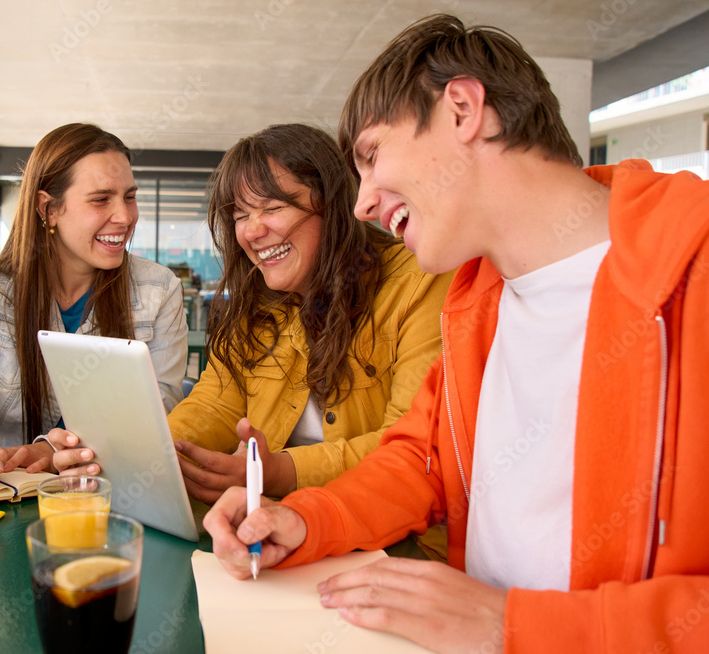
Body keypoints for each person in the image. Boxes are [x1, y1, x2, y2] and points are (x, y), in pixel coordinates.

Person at [204, 14, 709, 654]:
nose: (360, 205)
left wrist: (515, 626)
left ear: (465, 109)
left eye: (372, 155)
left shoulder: (694, 266)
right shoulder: (478, 301)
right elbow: (422, 461)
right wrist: (303, 518)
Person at [53, 124, 452, 554]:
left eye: (272, 207)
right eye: (240, 215)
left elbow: (411, 447)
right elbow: (214, 404)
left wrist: (280, 471)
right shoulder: (256, 300)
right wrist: (145, 456)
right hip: (272, 531)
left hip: (394, 544)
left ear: (333, 206)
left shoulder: (419, 282)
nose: (252, 231)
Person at [0, 123, 187, 494]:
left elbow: (159, 407)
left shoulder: (159, 290)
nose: (124, 217)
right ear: (49, 209)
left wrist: (51, 448)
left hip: (109, 494)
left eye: (130, 196)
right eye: (101, 199)